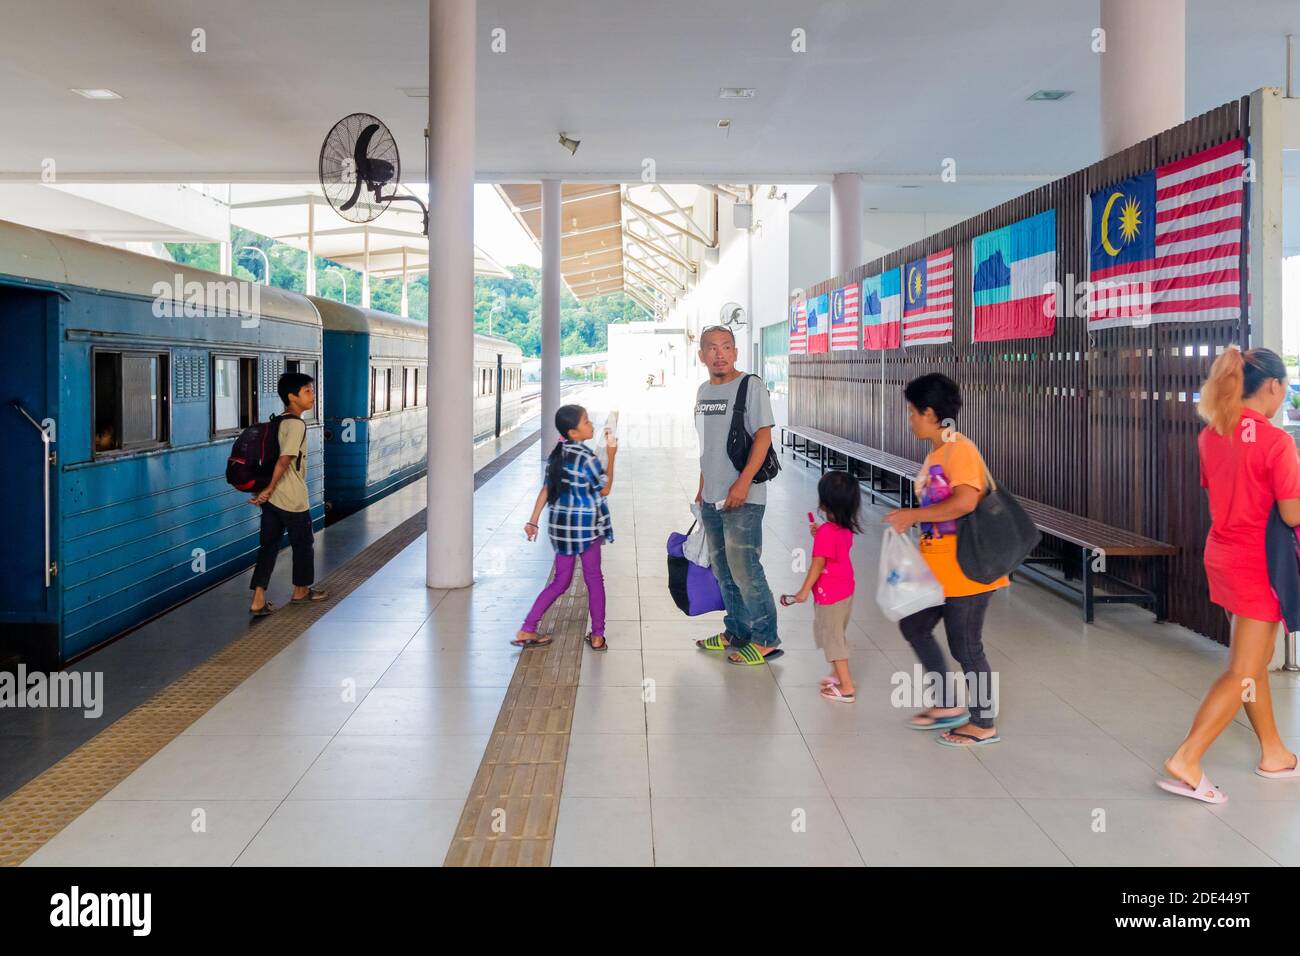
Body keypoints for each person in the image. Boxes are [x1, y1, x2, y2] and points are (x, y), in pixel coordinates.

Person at [1158, 347, 1300, 805]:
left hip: (1222, 555)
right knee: (1243, 669)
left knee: (1251, 663)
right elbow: (1291, 512)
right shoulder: (1278, 443)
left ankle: (1274, 752)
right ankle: (1188, 757)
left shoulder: (1211, 435)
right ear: (1274, 387)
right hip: (1260, 563)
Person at [885, 372, 1005, 745]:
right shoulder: (938, 451)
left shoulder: (959, 449)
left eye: (912, 412)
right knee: (915, 626)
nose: (909, 419)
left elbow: (966, 501)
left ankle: (983, 723)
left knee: (966, 646)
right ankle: (948, 705)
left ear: (931, 413)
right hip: (938, 568)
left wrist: (913, 516)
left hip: (967, 569)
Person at [691, 325, 782, 665]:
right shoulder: (702, 392)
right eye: (712, 348)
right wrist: (702, 487)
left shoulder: (750, 386)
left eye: (727, 347)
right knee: (723, 569)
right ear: (702, 355)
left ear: (736, 352)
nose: (720, 354)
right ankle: (737, 630)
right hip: (713, 494)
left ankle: (766, 638)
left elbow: (763, 437)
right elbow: (707, 444)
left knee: (745, 568)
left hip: (744, 496)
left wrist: (743, 483)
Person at [514, 404, 616, 650]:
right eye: (586, 422)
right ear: (573, 432)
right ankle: (598, 635)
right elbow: (605, 488)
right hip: (587, 529)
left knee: (561, 581)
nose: (591, 424)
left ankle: (527, 628)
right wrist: (612, 455)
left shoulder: (556, 456)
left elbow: (546, 489)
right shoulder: (587, 457)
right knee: (593, 579)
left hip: (561, 530)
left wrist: (533, 521)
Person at [248, 372, 326, 616]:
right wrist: (269, 488)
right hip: (291, 497)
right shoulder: (296, 424)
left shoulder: (277, 421)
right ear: (292, 397)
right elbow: (284, 460)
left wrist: (265, 492)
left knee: (268, 546)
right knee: (303, 543)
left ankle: (258, 599)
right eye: (307, 391)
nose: (312, 395)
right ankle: (301, 590)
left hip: (272, 500)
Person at [783, 471, 862, 701]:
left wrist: (803, 590)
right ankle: (838, 675)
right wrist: (821, 535)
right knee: (835, 633)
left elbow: (818, 564)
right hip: (845, 591)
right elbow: (834, 547)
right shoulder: (844, 528)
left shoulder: (827, 532)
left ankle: (846, 687)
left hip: (830, 595)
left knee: (833, 640)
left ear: (824, 502)